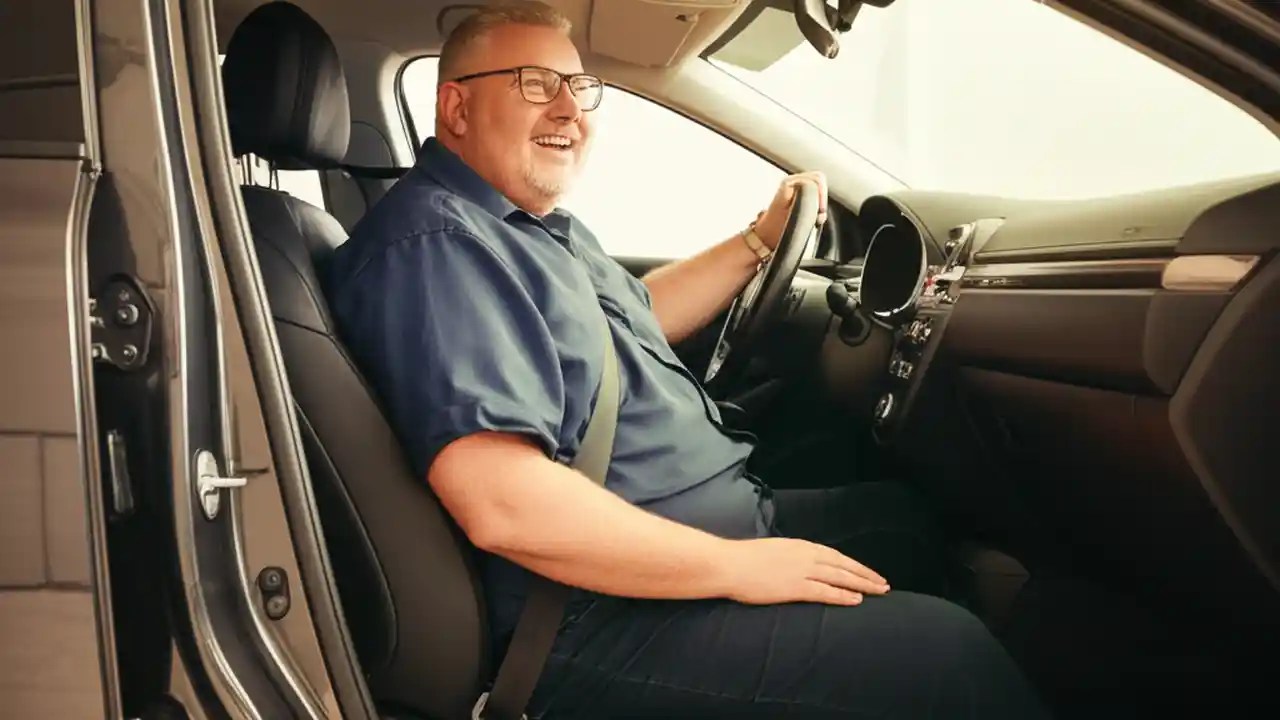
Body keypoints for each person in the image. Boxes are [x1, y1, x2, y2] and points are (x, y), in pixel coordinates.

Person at [325, 1, 1048, 717]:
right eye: (536, 85)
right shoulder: (435, 249)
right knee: (947, 658)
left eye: (580, 89)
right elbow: (501, 501)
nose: (570, 113)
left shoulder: (523, 227)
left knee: (902, 524)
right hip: (591, 617)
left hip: (691, 544)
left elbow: (627, 321)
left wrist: (758, 243)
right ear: (456, 108)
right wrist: (735, 568)